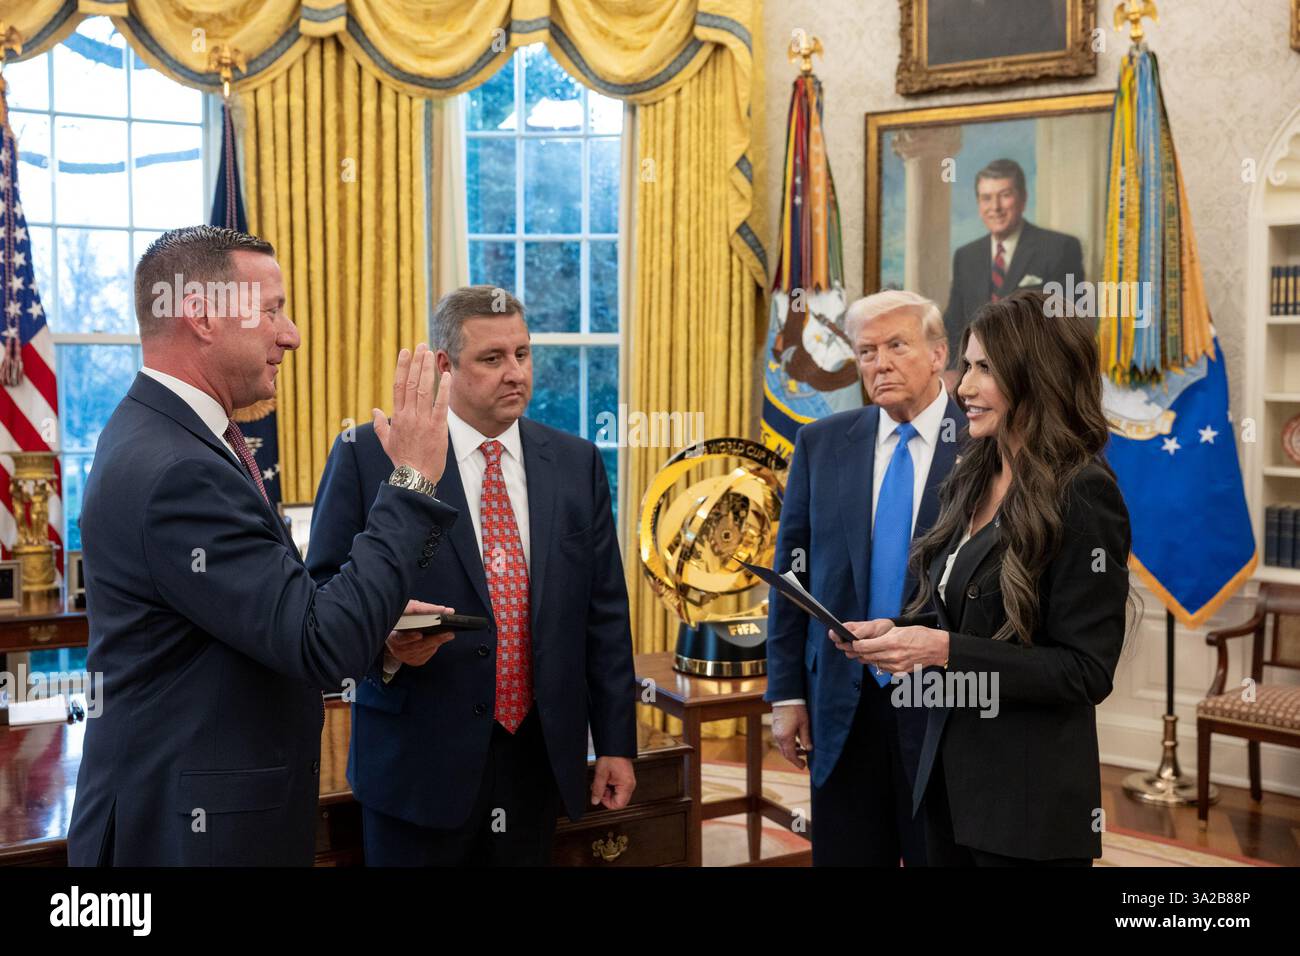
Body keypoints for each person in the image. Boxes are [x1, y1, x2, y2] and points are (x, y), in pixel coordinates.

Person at [68, 226, 458, 866]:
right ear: (198, 315)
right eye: (271, 309)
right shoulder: (178, 469)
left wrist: (376, 632)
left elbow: (271, 618)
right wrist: (411, 481)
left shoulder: (178, 436)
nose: (291, 333)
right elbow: (316, 642)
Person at [307, 285, 637, 866]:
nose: (515, 373)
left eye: (523, 354)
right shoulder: (368, 455)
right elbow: (321, 598)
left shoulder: (576, 462)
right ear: (444, 366)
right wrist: (384, 646)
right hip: (416, 767)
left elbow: (603, 612)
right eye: (492, 359)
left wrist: (614, 743)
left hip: (535, 762)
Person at [838, 290, 1133, 866]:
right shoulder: (973, 471)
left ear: (1036, 375)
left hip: (1024, 808)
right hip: (947, 788)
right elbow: (959, 615)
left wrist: (945, 651)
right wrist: (895, 631)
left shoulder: (1084, 493)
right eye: (966, 367)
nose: (963, 388)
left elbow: (1086, 671)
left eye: (983, 369)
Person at [764, 290, 966, 866]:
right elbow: (790, 576)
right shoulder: (822, 442)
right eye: (867, 351)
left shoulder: (983, 445)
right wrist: (785, 693)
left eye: (897, 346)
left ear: (937, 353)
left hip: (943, 707)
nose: (879, 363)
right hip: (840, 704)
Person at [944, 159, 1084, 385]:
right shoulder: (966, 256)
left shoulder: (1059, 248)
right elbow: (953, 323)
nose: (995, 207)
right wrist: (952, 372)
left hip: (1035, 380)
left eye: (1005, 195)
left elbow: (1067, 325)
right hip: (974, 381)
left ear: (1023, 198)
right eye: (986, 198)